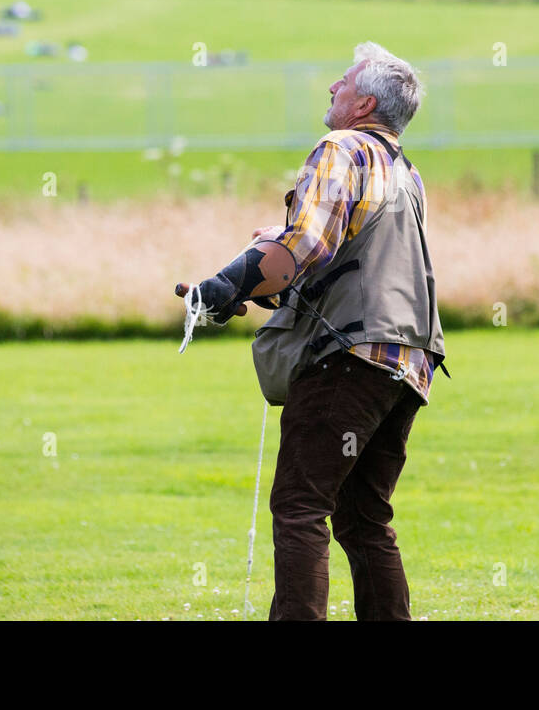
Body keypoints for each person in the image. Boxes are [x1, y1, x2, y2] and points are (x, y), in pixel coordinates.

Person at [175, 40, 447, 621]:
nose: (332, 87)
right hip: (409, 362)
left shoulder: (341, 147)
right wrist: (266, 264)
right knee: (363, 518)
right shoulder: (406, 172)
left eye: (342, 82)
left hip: (348, 357)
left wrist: (225, 284)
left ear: (363, 103)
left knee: (300, 506)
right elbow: (340, 253)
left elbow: (306, 245)